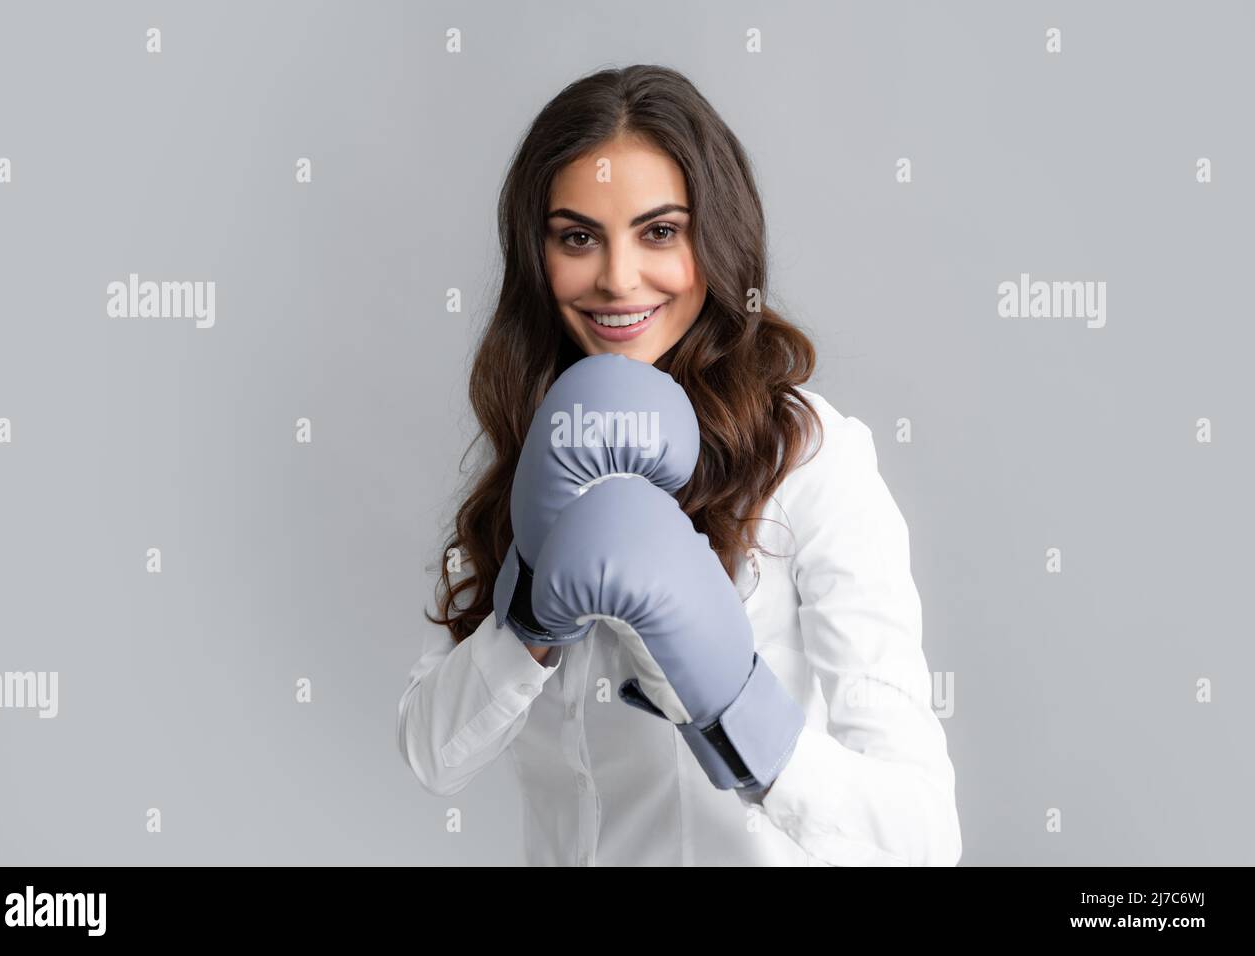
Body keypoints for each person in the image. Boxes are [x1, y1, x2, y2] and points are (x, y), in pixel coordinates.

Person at [397, 64, 962, 866]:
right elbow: (431, 754)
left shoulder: (809, 462)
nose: (618, 278)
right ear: (539, 255)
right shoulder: (538, 452)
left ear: (717, 240)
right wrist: (526, 619)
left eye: (660, 231)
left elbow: (922, 840)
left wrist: (736, 708)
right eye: (578, 236)